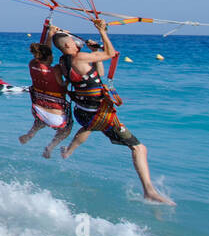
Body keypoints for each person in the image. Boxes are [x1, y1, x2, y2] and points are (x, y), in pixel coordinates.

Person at [55, 19, 175, 205]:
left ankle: (68, 152)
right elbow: (111, 53)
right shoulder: (80, 58)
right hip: (99, 114)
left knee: (89, 126)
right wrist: (102, 31)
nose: (76, 41)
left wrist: (94, 51)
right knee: (139, 148)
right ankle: (148, 191)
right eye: (72, 40)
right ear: (69, 44)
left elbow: (100, 74)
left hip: (83, 112)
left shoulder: (63, 61)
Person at [19, 41, 72, 157]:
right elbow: (63, 86)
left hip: (37, 110)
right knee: (68, 128)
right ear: (50, 56)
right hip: (56, 116)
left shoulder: (32, 64)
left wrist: (50, 33)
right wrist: (68, 79)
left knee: (41, 119)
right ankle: (50, 147)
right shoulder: (56, 70)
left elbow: (45, 50)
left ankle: (30, 134)